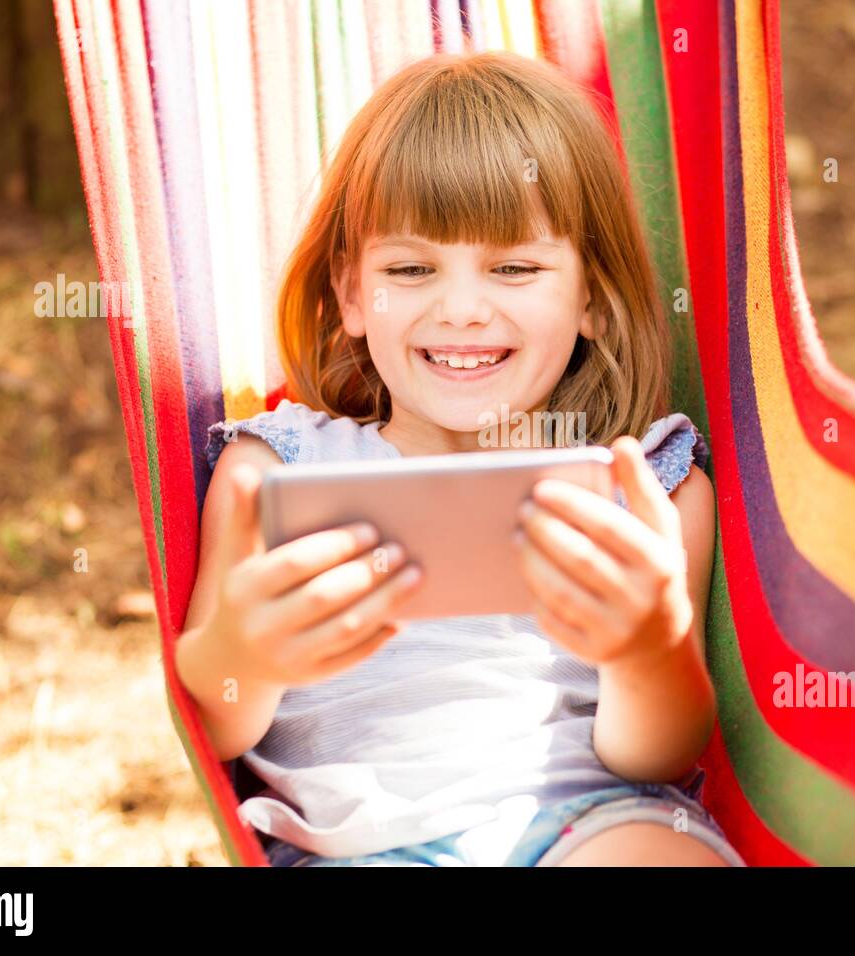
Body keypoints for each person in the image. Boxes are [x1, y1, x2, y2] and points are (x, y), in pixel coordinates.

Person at [175, 50, 744, 867]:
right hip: (354, 849)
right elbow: (217, 721)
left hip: (593, 820)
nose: (464, 310)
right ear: (350, 296)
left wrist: (647, 648)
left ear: (590, 296)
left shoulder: (645, 485)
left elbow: (659, 755)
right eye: (410, 269)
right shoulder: (276, 471)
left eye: (514, 268)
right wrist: (245, 654)